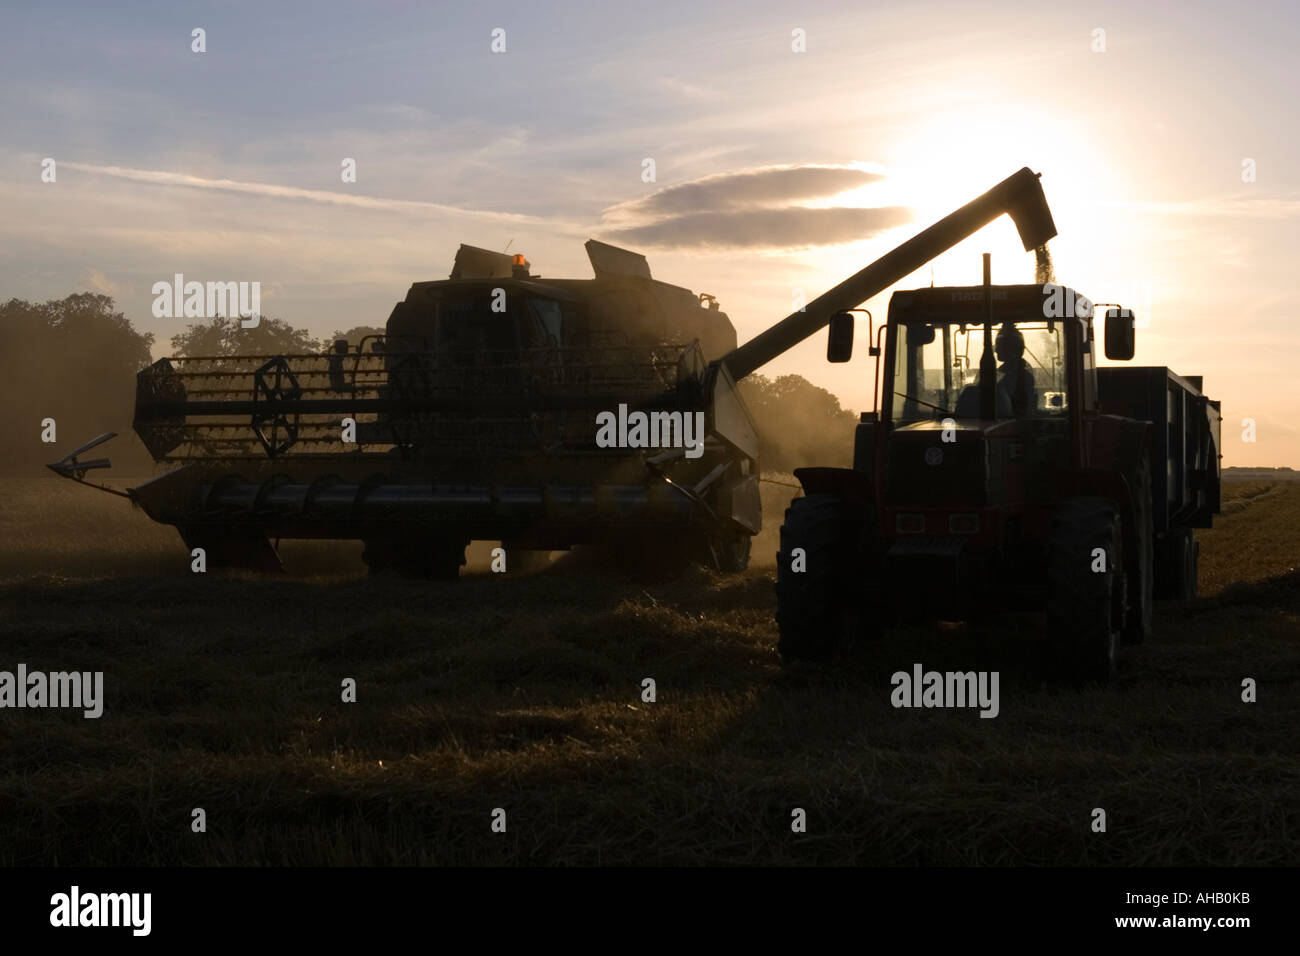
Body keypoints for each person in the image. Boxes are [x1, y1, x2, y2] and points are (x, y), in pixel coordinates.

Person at [994, 323, 1035, 416]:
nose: (996, 350)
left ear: (1009, 348)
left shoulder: (1022, 377)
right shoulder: (1002, 374)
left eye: (999, 345)